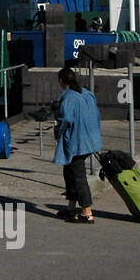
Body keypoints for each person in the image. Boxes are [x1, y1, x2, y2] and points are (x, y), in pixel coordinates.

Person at [53, 66, 101, 223]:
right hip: (91, 139)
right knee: (69, 172)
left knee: (78, 176)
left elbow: (65, 120)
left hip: (77, 142)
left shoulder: (68, 97)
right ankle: (71, 207)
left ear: (61, 81)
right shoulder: (87, 93)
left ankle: (87, 212)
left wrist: (57, 132)